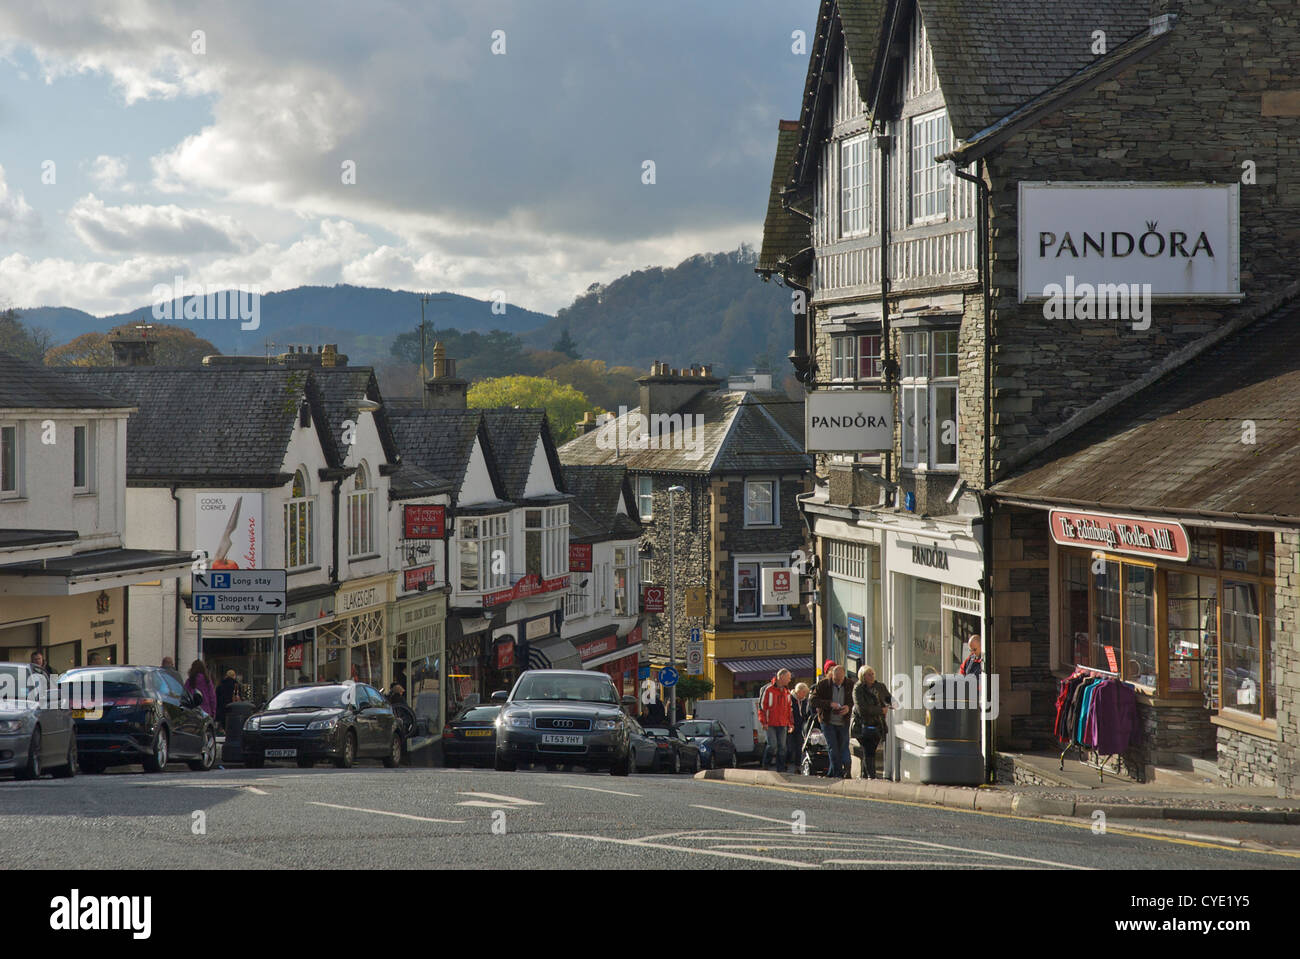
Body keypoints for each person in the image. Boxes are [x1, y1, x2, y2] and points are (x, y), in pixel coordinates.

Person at [812, 664, 855, 778]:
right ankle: (838, 773)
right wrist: (829, 704)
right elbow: (813, 700)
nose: (838, 682)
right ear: (832, 675)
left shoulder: (850, 684)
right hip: (828, 721)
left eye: (840, 679)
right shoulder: (823, 684)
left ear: (844, 676)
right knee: (833, 748)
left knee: (844, 747)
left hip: (843, 721)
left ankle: (846, 770)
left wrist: (848, 707)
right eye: (835, 679)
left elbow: (854, 701)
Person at [852, 666, 893, 779]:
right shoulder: (858, 688)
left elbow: (889, 699)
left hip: (878, 724)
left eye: (872, 674)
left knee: (871, 750)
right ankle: (872, 775)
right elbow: (862, 709)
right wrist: (880, 710)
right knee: (868, 749)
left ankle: (865, 775)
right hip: (863, 724)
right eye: (868, 674)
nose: (871, 676)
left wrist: (890, 705)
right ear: (863, 676)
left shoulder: (879, 686)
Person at [758, 669, 794, 773]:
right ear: (781, 677)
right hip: (770, 723)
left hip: (783, 723)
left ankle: (780, 769)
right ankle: (766, 765)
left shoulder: (787, 692)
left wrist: (790, 723)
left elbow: (789, 709)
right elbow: (762, 707)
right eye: (788, 678)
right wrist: (763, 722)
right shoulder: (768, 689)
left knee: (782, 747)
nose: (790, 680)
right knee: (772, 746)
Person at [787, 682, 813, 767]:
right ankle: (786, 763)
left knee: (799, 748)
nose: (805, 695)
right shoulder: (790, 698)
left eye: (806, 693)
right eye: (803, 692)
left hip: (800, 727)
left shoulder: (805, 701)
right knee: (789, 748)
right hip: (789, 726)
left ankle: (797, 766)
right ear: (798, 691)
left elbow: (807, 714)